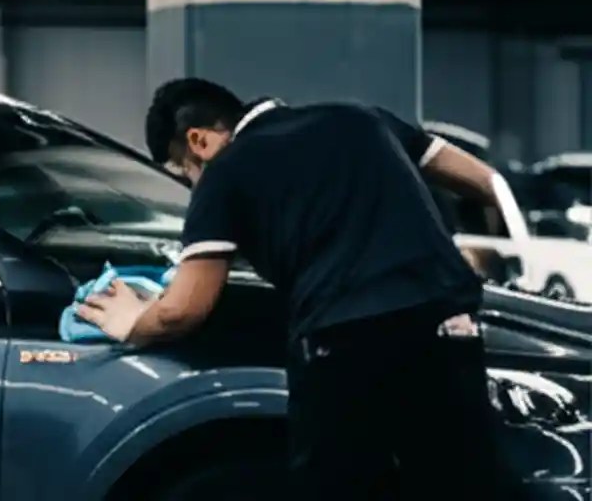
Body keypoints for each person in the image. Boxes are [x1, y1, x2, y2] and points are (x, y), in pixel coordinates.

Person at [77, 78, 515, 500]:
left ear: (198, 141)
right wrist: (507, 251)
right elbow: (489, 182)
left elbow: (183, 310)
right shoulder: (361, 117)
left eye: (185, 174)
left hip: (344, 346)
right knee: (460, 484)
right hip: (448, 330)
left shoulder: (225, 172)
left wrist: (131, 321)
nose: (194, 186)